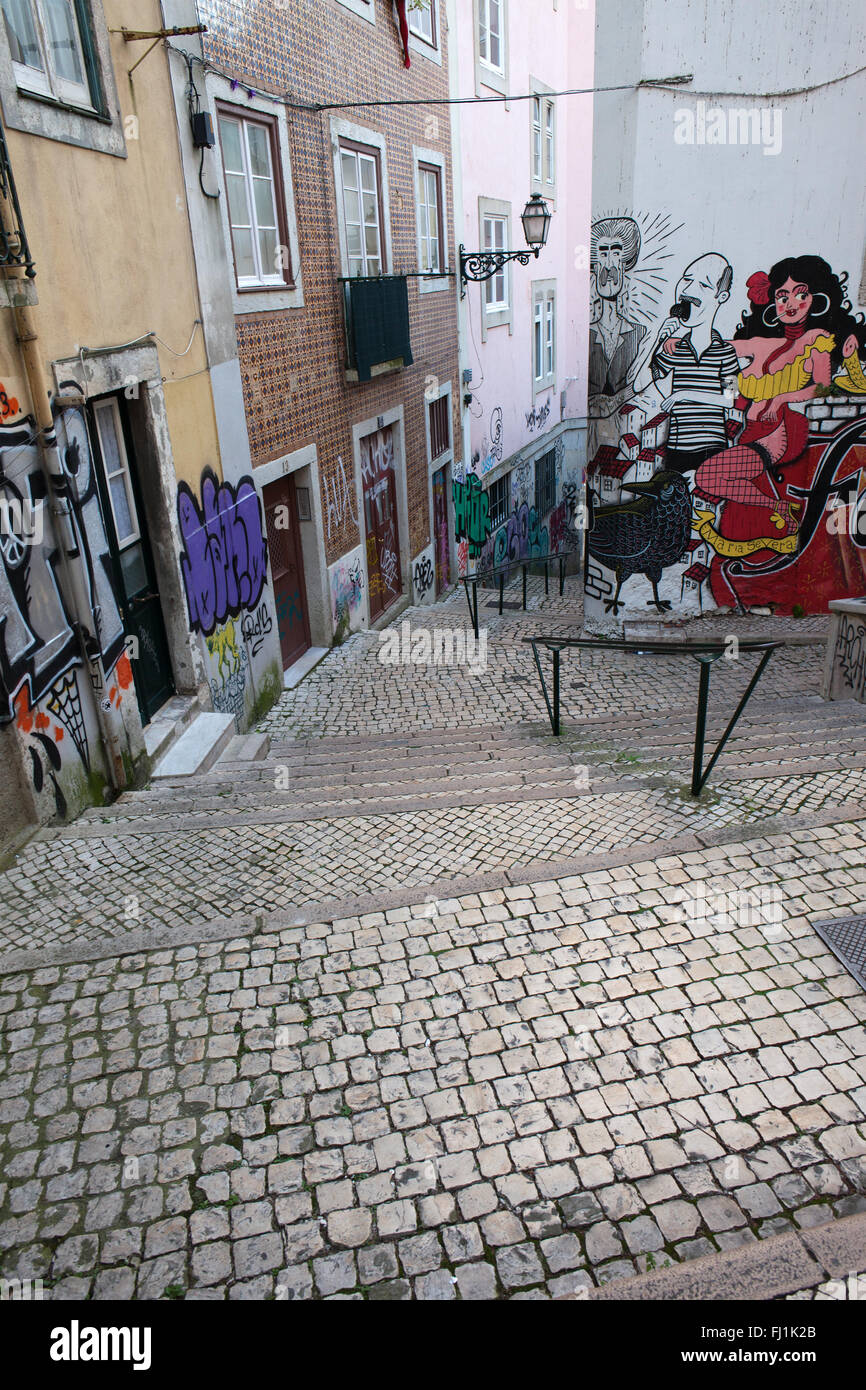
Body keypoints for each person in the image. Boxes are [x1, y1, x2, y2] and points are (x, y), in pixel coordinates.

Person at [695, 255, 866, 535]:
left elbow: (823, 386)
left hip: (780, 432)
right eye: (782, 296)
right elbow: (720, 353)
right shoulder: (763, 344)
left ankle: (776, 507)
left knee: (709, 475)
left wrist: (782, 398)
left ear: (816, 299)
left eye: (800, 294)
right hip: (750, 430)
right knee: (739, 515)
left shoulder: (816, 340)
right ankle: (775, 510)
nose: (790, 304)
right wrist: (679, 340)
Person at [631, 252, 740, 475]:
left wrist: (683, 395)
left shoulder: (726, 352)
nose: (689, 289)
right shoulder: (676, 349)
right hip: (677, 449)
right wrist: (657, 340)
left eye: (703, 285)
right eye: (687, 279)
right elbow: (639, 384)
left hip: (712, 448)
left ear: (722, 297)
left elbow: (730, 400)